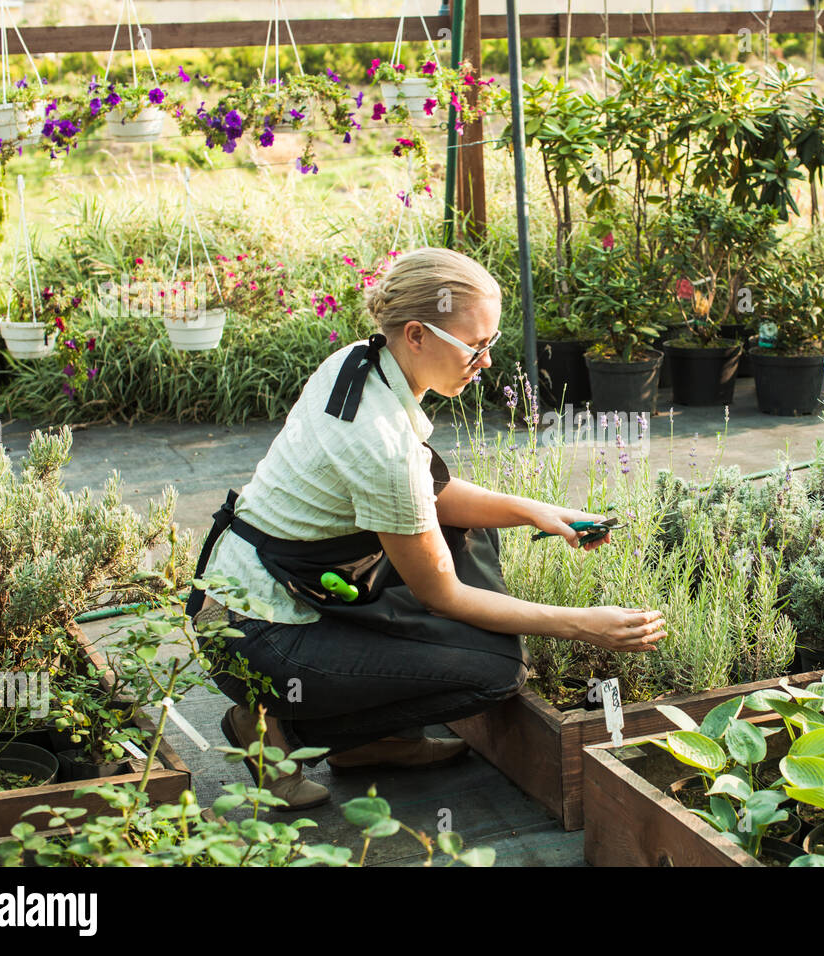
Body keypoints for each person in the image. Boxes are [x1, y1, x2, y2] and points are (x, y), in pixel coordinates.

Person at [186, 247, 666, 810]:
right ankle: (281, 737)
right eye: (476, 346)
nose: (486, 361)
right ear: (416, 334)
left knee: (471, 531)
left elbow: (431, 496)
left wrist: (538, 510)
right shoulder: (379, 441)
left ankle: (369, 741)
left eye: (492, 342)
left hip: (283, 581)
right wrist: (585, 626)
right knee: (494, 669)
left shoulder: (358, 363)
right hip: (258, 635)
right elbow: (442, 592)